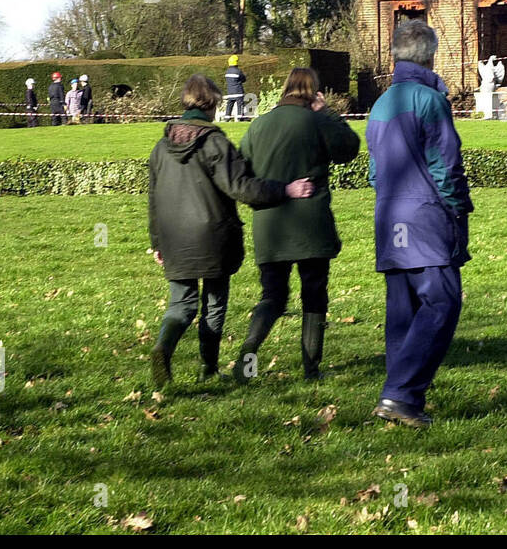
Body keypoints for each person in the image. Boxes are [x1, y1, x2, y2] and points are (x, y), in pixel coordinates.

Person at [148, 75, 314, 386]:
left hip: (173, 237)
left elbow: (153, 199)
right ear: (212, 105)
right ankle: (207, 368)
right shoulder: (215, 143)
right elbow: (241, 188)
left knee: (181, 304)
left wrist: (156, 240)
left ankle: (163, 347)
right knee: (213, 304)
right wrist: (285, 190)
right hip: (212, 236)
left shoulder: (160, 147)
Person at [366, 21, 473, 428]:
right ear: (429, 55)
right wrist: (458, 207)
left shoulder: (380, 103)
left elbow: (375, 172)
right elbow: (445, 165)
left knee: (402, 311)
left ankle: (400, 396)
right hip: (426, 216)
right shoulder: (431, 100)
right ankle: (400, 395)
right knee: (442, 303)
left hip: (390, 215)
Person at [233, 68, 360, 383]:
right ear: (313, 92)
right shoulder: (316, 121)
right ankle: (311, 369)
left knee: (272, 296)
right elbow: (349, 149)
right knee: (314, 295)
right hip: (310, 225)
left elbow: (242, 176)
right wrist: (326, 112)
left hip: (269, 228)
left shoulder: (258, 126)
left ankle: (249, 351)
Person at [224, 56, 247, 121]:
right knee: (240, 105)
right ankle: (240, 117)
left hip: (230, 92)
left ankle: (227, 117)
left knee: (229, 104)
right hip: (238, 92)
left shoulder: (227, 71)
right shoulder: (238, 71)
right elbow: (244, 79)